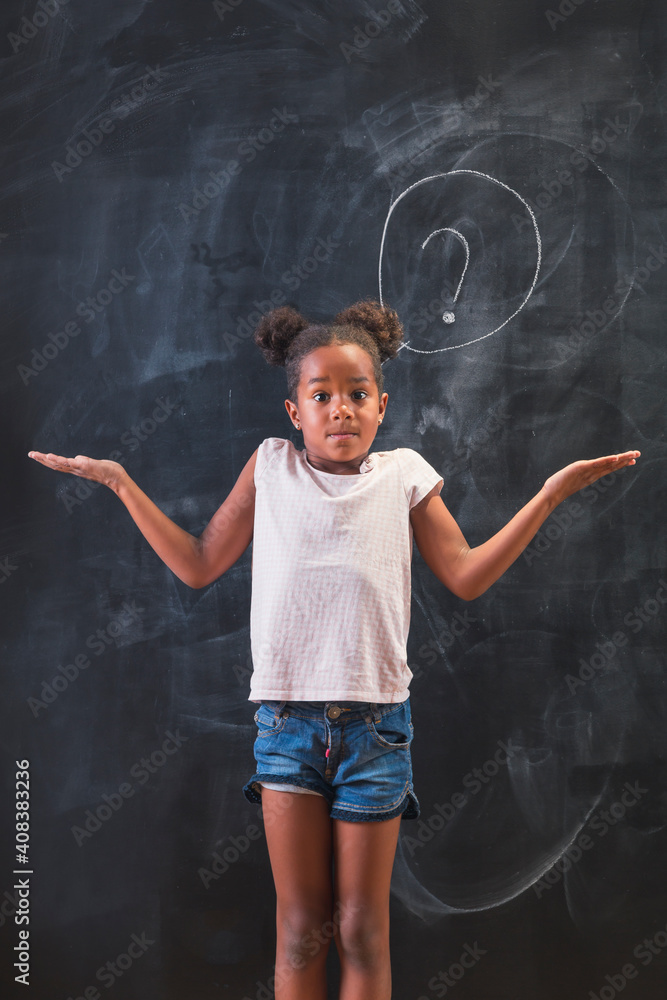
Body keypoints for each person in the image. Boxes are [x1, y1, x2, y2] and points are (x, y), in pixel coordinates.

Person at [28, 299, 639, 1000]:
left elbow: (467, 576)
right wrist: (119, 481)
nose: (340, 409)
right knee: (298, 928)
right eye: (321, 396)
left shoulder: (405, 473)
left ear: (381, 405)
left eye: (356, 395)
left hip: (377, 732)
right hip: (286, 728)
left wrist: (549, 494)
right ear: (295, 412)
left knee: (359, 930)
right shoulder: (270, 468)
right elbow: (198, 564)